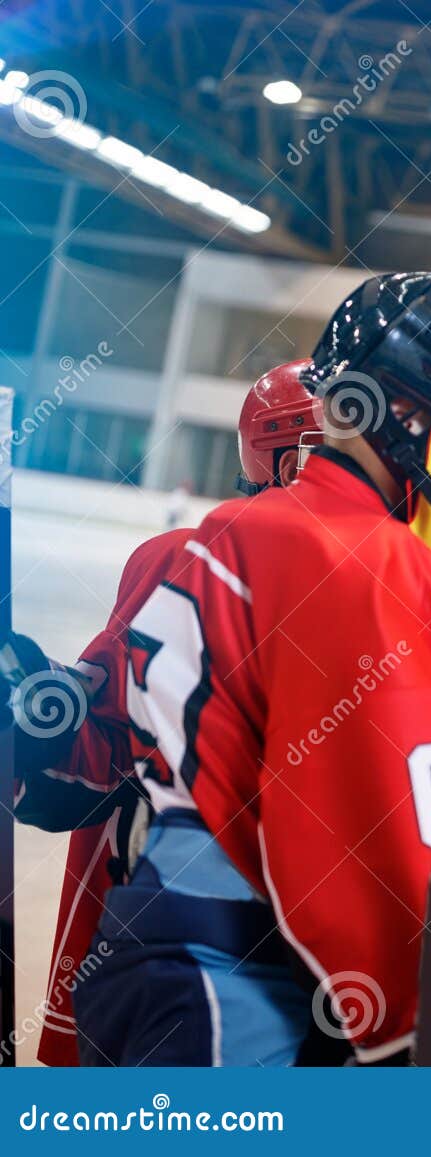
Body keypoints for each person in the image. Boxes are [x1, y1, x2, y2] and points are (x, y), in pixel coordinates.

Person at [71, 266, 431, 1065]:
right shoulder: (368, 562)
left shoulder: (264, 529)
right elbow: (389, 855)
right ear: (409, 415)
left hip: (182, 958)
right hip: (237, 989)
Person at [2, 361, 321, 1066]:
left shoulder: (398, 581)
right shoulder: (190, 560)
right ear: (292, 457)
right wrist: (36, 717)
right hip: (186, 960)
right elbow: (107, 748)